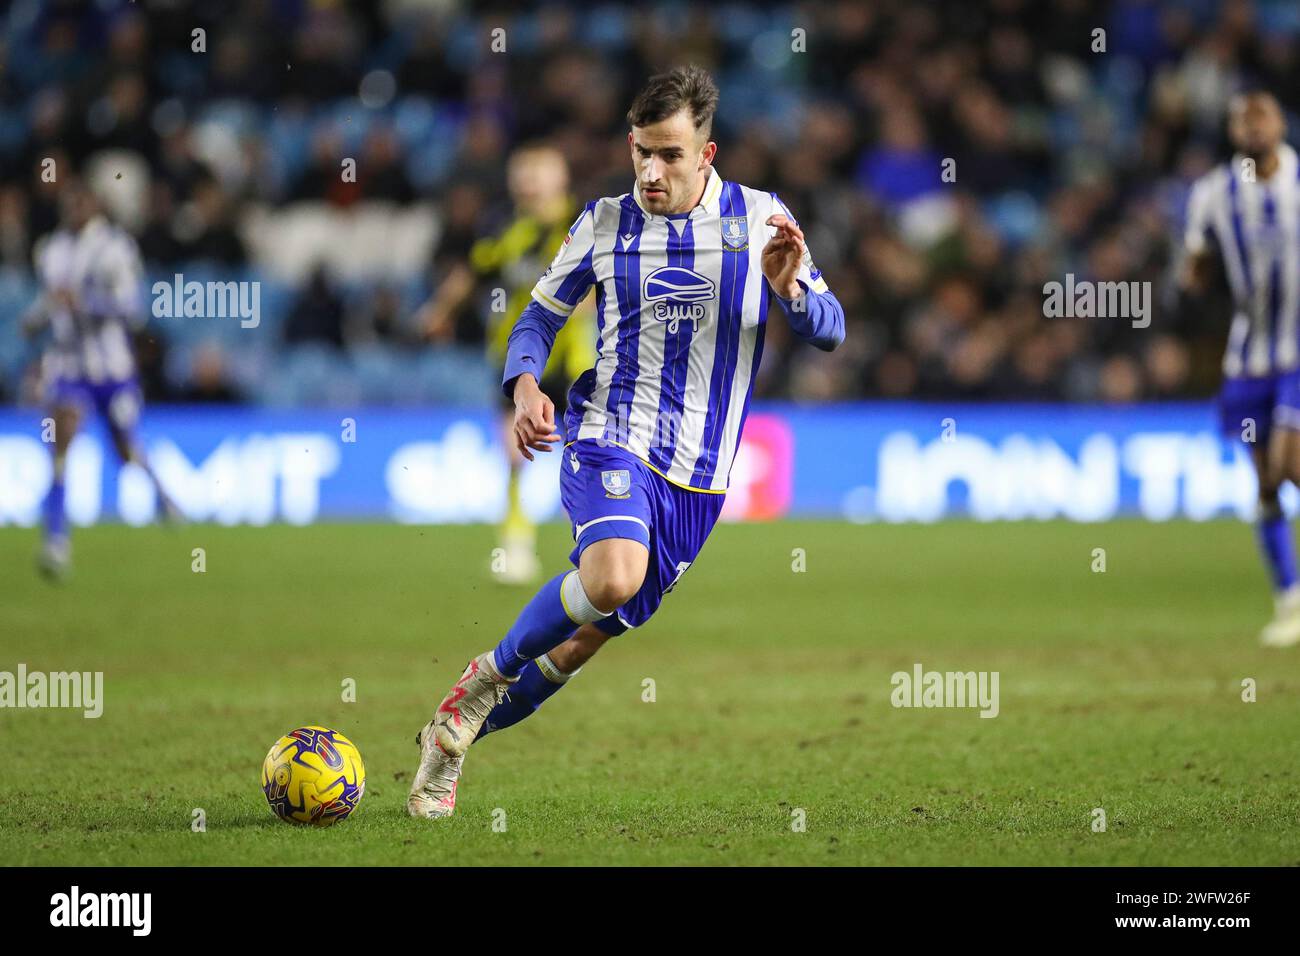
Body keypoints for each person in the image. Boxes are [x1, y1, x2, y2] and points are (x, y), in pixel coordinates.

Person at [408, 66, 846, 818]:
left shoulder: (765, 220)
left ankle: (449, 745)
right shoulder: (605, 222)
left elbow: (831, 331)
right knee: (611, 577)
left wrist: (790, 290)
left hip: (699, 476)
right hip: (609, 431)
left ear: (706, 155)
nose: (650, 169)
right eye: (641, 150)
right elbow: (538, 320)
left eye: (670, 154)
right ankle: (486, 675)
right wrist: (524, 385)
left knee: (579, 645)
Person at [417, 144, 596, 583]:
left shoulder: (586, 224)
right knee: (515, 453)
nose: (530, 180)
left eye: (540, 170)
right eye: (524, 172)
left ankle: (600, 540)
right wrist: (439, 311)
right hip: (521, 361)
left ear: (561, 178)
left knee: (590, 450)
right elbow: (473, 274)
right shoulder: (505, 230)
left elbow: (600, 282)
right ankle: (516, 542)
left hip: (576, 359)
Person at [1183, 90, 1300, 647]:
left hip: (1299, 354)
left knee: (1290, 461)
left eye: (1264, 117)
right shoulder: (1212, 194)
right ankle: (1290, 600)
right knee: (1267, 483)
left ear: (1280, 123)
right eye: (1243, 120)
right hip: (1248, 357)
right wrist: (1194, 279)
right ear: (1233, 132)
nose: (1254, 128)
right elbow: (1196, 267)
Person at [25, 177, 177, 577]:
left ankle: (159, 489)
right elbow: (49, 302)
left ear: (95, 206)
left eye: (81, 202)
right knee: (60, 446)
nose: (74, 209)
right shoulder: (50, 249)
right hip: (69, 366)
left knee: (124, 451)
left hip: (111, 367)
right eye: (69, 203)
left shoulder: (116, 247)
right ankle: (56, 541)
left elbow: (131, 306)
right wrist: (36, 319)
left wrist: (86, 303)